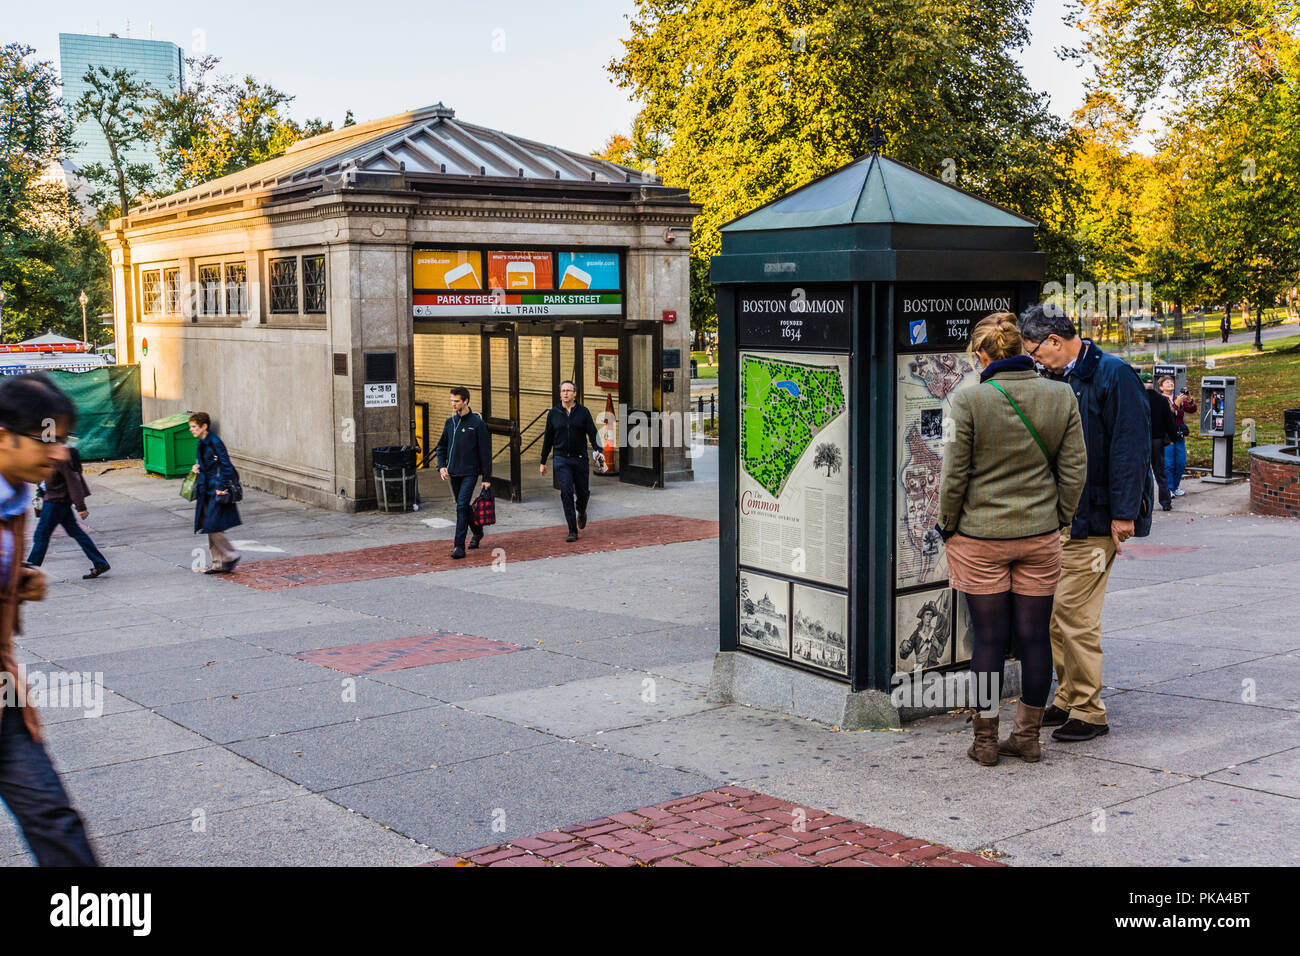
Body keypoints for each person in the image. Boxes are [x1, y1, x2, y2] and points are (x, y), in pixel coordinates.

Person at [937, 313, 1087, 765]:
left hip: (980, 538)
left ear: (983, 356)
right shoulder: (1061, 396)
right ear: (1023, 349)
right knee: (1035, 638)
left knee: (987, 639)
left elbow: (954, 476)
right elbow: (1075, 470)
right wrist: (1058, 518)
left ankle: (985, 741)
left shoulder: (970, 402)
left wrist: (948, 525)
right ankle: (1028, 737)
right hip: (1039, 536)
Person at [1019, 305, 1153, 742]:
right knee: (1056, 615)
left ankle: (1090, 711)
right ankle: (1070, 698)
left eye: (1036, 351)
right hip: (1064, 520)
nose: (1034, 359)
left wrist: (1123, 514)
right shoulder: (1059, 377)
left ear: (1056, 341)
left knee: (1074, 615)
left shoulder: (1115, 375)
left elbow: (1131, 448)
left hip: (1095, 522)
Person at [0, 374, 99, 865]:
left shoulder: (15, 496)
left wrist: (18, 579)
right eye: (46, 437)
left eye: (62, 439)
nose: (59, 452)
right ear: (4, 437)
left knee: (54, 818)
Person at [24, 444, 110, 578]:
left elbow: (74, 482)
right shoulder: (47, 455)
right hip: (56, 500)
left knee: (41, 535)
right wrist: (40, 491)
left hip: (55, 502)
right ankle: (100, 563)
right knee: (76, 532)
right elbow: (41, 477)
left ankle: (30, 569)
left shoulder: (60, 458)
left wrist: (81, 506)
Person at [539, 380, 604, 542]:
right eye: (563, 391)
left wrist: (599, 451)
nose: (565, 393)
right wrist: (543, 461)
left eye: (569, 390)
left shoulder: (583, 412)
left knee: (582, 493)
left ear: (575, 394)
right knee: (566, 492)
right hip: (561, 459)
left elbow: (593, 434)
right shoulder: (553, 413)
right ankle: (572, 530)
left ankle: (581, 511)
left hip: (580, 458)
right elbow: (548, 438)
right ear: (560, 393)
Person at [434, 387, 491, 559]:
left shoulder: (477, 424)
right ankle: (478, 531)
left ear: (466, 401)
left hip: (470, 472)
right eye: (451, 401)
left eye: (456, 401)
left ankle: (459, 546)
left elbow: (485, 452)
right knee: (464, 506)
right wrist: (441, 466)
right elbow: (441, 447)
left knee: (460, 506)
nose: (453, 404)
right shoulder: (450, 423)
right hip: (453, 472)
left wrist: (486, 477)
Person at [188, 412, 242, 574]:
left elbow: (226, 464)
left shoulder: (214, 442)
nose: (191, 430)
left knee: (213, 525)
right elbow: (207, 463)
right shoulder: (202, 443)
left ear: (204, 426)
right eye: (191, 427)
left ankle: (230, 555)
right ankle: (219, 563)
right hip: (205, 488)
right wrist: (197, 467)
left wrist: (222, 485)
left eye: (194, 427)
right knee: (209, 525)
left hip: (216, 489)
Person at [1143, 372, 1177, 511]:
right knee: (1160, 472)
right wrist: (1173, 438)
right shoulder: (1161, 400)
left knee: (1142, 472)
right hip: (1157, 440)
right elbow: (1169, 422)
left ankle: (1142, 502)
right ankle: (1165, 502)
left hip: (1142, 439)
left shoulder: (1137, 399)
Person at [1159, 375, 1197, 497]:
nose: (1170, 384)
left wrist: (1189, 399)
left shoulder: (1177, 397)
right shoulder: (1160, 400)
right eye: (1167, 382)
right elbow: (1166, 415)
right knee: (1168, 463)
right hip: (1166, 436)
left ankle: (1175, 486)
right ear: (1161, 387)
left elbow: (1192, 410)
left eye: (1171, 382)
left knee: (1181, 462)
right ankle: (1168, 488)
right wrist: (1176, 404)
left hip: (1179, 435)